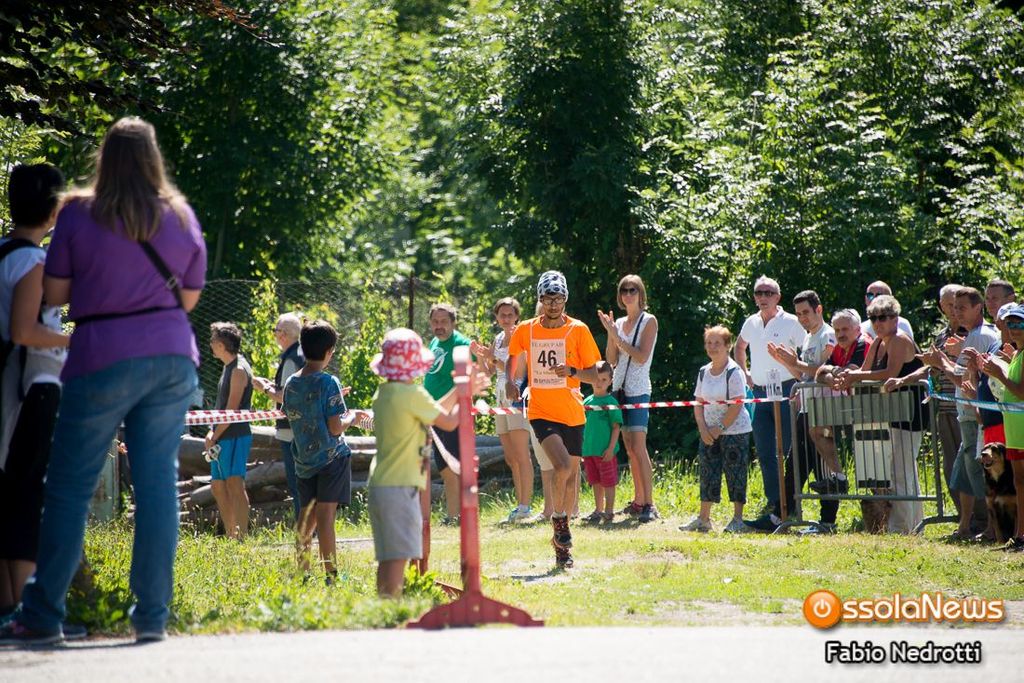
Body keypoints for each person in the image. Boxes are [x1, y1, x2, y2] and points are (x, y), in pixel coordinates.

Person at [0, 117, 206, 645]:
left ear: (104, 157)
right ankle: (152, 617)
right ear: (154, 157)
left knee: (68, 486)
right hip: (170, 356)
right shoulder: (180, 215)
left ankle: (43, 614)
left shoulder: (78, 213)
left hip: (100, 354)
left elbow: (55, 294)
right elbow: (187, 299)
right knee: (158, 484)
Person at [0, 164, 71, 621]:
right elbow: (25, 331)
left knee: (7, 492)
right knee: (27, 495)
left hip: (8, 389)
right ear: (52, 210)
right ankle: (29, 609)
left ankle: (8, 607)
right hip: (29, 388)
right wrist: (74, 340)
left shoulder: (3, 252)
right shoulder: (31, 262)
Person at [369, 328, 487, 596]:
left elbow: (435, 411)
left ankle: (384, 607)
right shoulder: (412, 395)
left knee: (388, 557)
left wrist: (459, 391)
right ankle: (395, 610)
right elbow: (448, 420)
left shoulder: (385, 394)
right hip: (401, 485)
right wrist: (464, 392)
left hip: (382, 483)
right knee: (399, 557)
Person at [506, 271, 602, 568]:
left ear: (565, 300)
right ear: (540, 299)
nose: (553, 305)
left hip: (572, 411)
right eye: (548, 299)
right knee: (560, 465)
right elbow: (513, 355)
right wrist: (512, 380)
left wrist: (572, 372)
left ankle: (561, 547)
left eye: (558, 299)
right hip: (541, 410)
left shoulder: (578, 330)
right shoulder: (527, 329)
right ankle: (560, 521)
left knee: (571, 477)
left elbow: (595, 373)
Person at [749, 292, 840, 533]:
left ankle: (826, 521)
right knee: (795, 465)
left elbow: (822, 372)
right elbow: (804, 376)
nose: (802, 319)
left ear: (818, 310)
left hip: (823, 409)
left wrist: (795, 363)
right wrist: (786, 361)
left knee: (823, 468)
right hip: (808, 408)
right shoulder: (809, 338)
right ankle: (781, 516)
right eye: (798, 314)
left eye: (806, 313)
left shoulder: (828, 334)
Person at [281, 321, 365, 583]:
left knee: (306, 518)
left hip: (303, 461)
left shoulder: (292, 383)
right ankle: (331, 574)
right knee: (326, 517)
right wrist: (351, 416)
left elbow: (300, 409)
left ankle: (303, 572)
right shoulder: (329, 382)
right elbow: (336, 427)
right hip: (331, 460)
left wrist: (335, 397)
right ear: (329, 351)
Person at [914, 287, 1000, 541]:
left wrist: (940, 363)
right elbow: (964, 375)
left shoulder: (980, 335)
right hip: (967, 413)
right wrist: (943, 360)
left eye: (962, 307)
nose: (957, 312)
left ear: (978, 307)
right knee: (963, 473)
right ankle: (965, 525)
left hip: (974, 414)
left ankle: (991, 526)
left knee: (978, 471)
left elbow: (964, 380)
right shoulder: (975, 335)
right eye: (954, 307)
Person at [837, 295, 925, 534]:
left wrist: (854, 377)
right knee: (898, 471)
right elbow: (865, 371)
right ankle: (913, 526)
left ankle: (903, 528)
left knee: (902, 471)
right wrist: (848, 376)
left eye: (883, 317)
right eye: (873, 318)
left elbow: (890, 372)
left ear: (895, 318)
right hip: (889, 411)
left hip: (909, 411)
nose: (878, 322)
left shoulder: (899, 340)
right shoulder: (877, 342)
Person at [734, 276, 805, 512]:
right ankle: (775, 501)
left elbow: (806, 351)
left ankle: (792, 502)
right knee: (765, 450)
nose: (763, 297)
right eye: (758, 293)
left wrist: (800, 374)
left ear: (778, 297)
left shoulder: (792, 322)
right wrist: (746, 374)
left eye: (768, 293)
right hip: (760, 391)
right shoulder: (751, 322)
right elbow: (739, 346)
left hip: (787, 389)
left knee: (788, 448)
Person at [598, 274, 659, 523]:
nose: (628, 294)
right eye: (624, 290)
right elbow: (611, 359)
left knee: (639, 447)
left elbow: (641, 356)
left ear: (640, 293)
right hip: (619, 390)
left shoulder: (649, 321)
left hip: (638, 390)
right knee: (629, 449)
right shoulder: (620, 322)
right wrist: (612, 334)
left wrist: (617, 336)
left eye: (633, 290)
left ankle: (650, 504)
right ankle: (638, 500)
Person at [681, 326, 752, 533]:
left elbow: (737, 403)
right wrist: (703, 429)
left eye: (717, 343)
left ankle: (738, 519)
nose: (712, 347)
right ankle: (704, 519)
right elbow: (698, 402)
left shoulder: (734, 372)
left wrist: (719, 428)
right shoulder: (704, 371)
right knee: (708, 472)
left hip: (734, 430)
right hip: (709, 432)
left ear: (727, 346)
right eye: (709, 343)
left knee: (736, 473)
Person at [470, 297, 534, 522]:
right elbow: (487, 372)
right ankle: (520, 505)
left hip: (516, 399)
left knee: (521, 453)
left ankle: (526, 505)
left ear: (517, 316)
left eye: (510, 314)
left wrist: (493, 358)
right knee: (510, 456)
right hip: (500, 400)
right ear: (496, 317)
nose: (506, 318)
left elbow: (517, 373)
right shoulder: (497, 339)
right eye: (502, 315)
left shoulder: (522, 338)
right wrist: (481, 356)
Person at [979, 304, 1024, 551]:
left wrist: (1000, 373)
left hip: (1021, 429)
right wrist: (1005, 365)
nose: (1014, 329)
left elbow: (1020, 392)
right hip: (1015, 430)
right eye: (1011, 325)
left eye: (1019, 324)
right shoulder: (1018, 354)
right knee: (1019, 482)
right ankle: (1019, 535)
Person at [254, 313, 305, 520]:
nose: (275, 336)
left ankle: (305, 533)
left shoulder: (291, 359)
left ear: (283, 334)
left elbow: (285, 395)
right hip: (302, 429)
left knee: (297, 485)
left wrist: (263, 389)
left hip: (291, 431)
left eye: (276, 331)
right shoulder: (302, 353)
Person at [423, 303, 470, 524]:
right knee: (444, 467)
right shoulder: (434, 342)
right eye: (435, 321)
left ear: (453, 322)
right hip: (435, 414)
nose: (438, 326)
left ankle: (458, 515)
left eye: (443, 322)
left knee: (453, 466)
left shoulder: (462, 344)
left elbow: (477, 374)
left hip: (452, 415)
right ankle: (454, 514)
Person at [206, 322, 254, 540]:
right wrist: (211, 432)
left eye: (213, 340)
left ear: (222, 344)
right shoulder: (227, 367)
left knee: (235, 483)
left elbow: (231, 411)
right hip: (221, 435)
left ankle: (242, 537)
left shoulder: (238, 370)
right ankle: (231, 535)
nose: (210, 344)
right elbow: (220, 407)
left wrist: (214, 435)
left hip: (235, 436)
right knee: (217, 485)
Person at [581, 361, 621, 524]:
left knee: (608, 482)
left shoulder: (611, 402)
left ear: (610, 382)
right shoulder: (586, 402)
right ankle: (598, 510)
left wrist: (611, 448)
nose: (599, 383)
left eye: (604, 380)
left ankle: (609, 511)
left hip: (605, 452)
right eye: (596, 379)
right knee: (595, 482)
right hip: (589, 451)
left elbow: (616, 426)